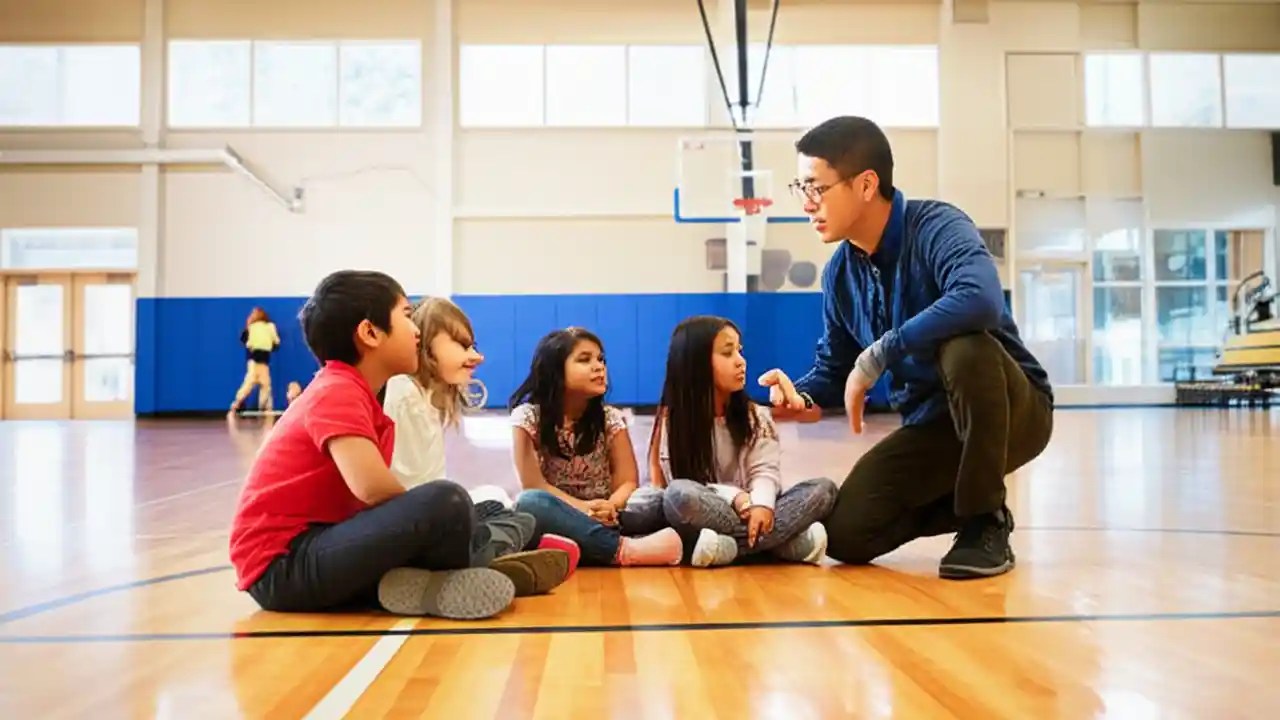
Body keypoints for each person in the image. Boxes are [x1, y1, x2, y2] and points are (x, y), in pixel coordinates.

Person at [759, 116, 1054, 579]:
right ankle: (967, 500)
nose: (806, 204)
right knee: (848, 534)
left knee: (964, 346)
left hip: (1015, 409)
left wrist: (881, 352)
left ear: (865, 184)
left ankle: (984, 521)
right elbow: (835, 369)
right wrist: (802, 395)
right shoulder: (839, 274)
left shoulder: (938, 225)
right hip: (932, 426)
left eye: (816, 188)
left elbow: (981, 300)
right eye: (802, 188)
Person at [229, 270, 546, 619]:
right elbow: (373, 489)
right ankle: (478, 559)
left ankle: (433, 578)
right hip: (283, 567)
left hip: (318, 548)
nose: (417, 332)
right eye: (408, 317)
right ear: (370, 332)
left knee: (473, 509)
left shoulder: (358, 393)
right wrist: (438, 523)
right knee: (447, 501)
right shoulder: (338, 389)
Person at [383, 297, 581, 583]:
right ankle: (475, 565)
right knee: (495, 511)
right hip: (412, 527)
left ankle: (493, 559)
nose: (477, 357)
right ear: (425, 344)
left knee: (504, 504)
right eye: (463, 346)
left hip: (427, 520)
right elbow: (406, 488)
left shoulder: (427, 402)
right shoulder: (402, 393)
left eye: (473, 346)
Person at [650, 315, 836, 568]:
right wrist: (738, 499)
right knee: (678, 495)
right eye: (728, 353)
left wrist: (761, 505)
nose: (741, 361)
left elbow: (765, 471)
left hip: (756, 509)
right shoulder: (672, 421)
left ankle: (727, 548)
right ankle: (778, 545)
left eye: (740, 351)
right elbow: (677, 483)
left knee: (822, 489)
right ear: (695, 363)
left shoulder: (756, 416)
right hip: (706, 510)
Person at [510, 327, 684, 567]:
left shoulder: (609, 418)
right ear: (555, 370)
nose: (598, 366)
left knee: (656, 499)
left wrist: (611, 505)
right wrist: (584, 510)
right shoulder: (527, 418)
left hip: (610, 515)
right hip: (559, 512)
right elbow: (534, 485)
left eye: (601, 359)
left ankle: (577, 547)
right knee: (529, 503)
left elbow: (628, 481)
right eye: (584, 359)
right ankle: (625, 549)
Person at [229, 307, 280, 415]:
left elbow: (243, 339)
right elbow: (276, 342)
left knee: (249, 382)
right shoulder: (270, 327)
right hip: (264, 358)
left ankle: (237, 403)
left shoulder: (251, 327)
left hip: (252, 358)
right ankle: (265, 407)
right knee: (265, 385)